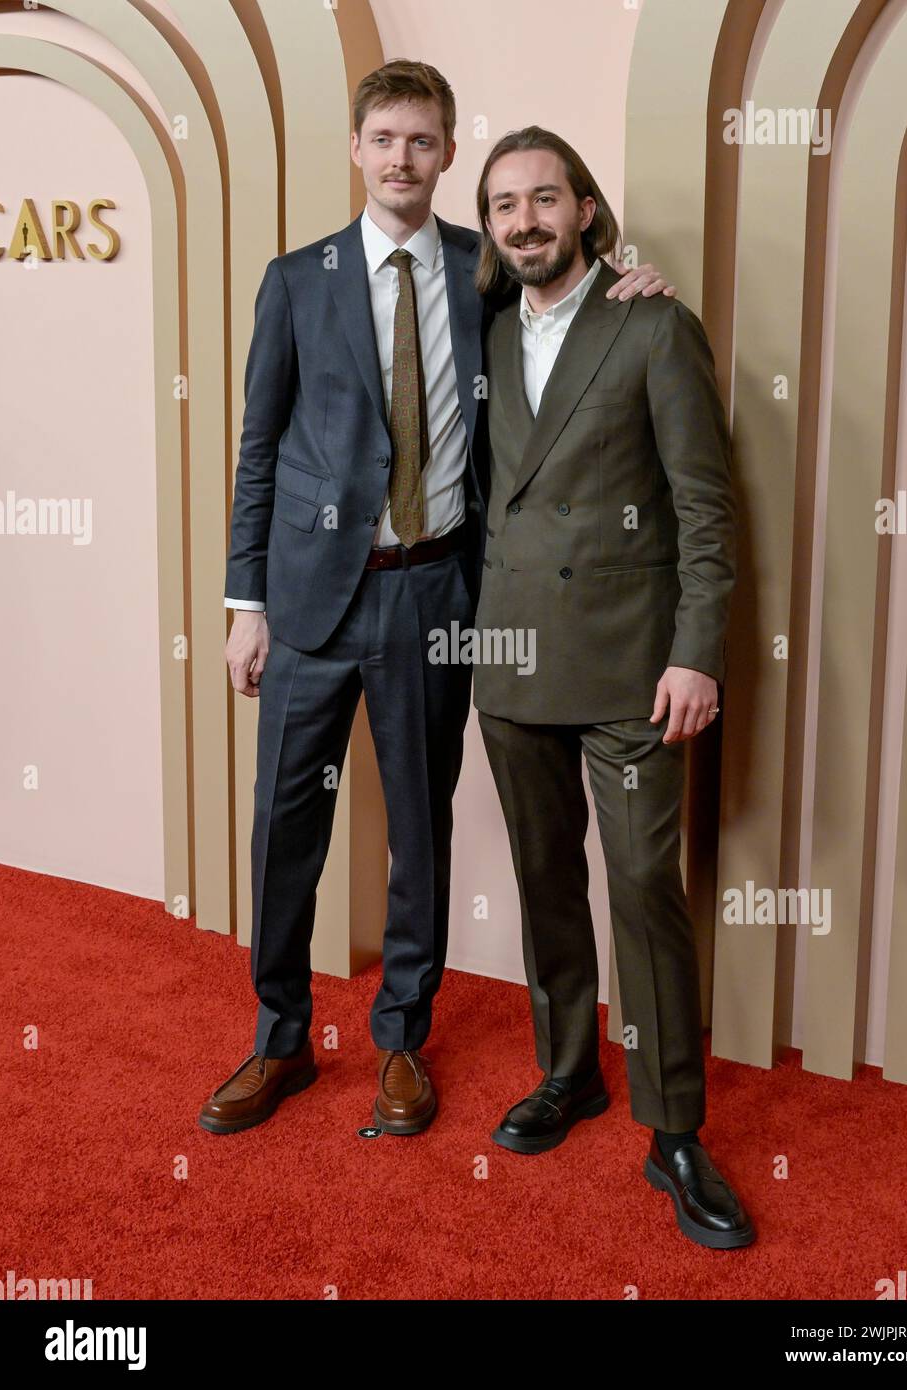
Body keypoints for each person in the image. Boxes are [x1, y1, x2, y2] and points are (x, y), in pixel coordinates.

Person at [199, 63, 672, 1138]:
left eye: (424, 140)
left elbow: (570, 304)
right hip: (310, 600)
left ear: (449, 153)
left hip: (435, 596)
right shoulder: (296, 278)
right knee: (285, 826)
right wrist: (246, 601)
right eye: (385, 139)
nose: (403, 158)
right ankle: (278, 1038)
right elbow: (259, 451)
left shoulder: (481, 268)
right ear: (358, 150)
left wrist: (636, 277)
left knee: (421, 828)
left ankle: (400, 1038)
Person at [471, 125, 754, 1249]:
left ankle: (675, 1130)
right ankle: (571, 1071)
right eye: (503, 206)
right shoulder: (488, 333)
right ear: (491, 225)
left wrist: (698, 651)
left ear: (585, 209)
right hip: (511, 658)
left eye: (546, 198)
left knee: (643, 890)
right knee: (545, 882)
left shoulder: (652, 324)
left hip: (635, 666)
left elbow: (706, 508)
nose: (525, 221)